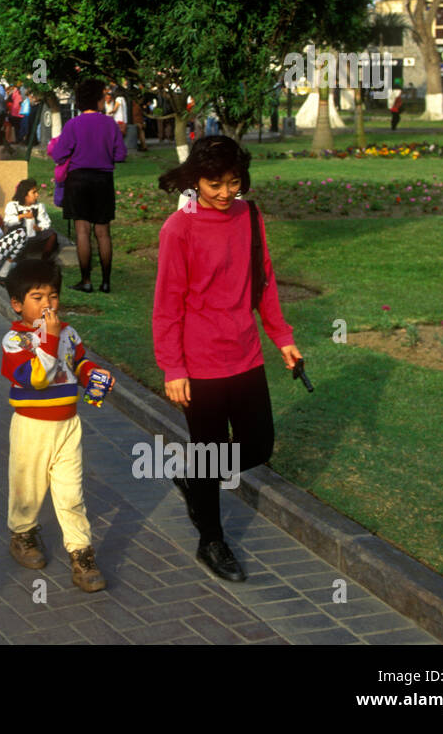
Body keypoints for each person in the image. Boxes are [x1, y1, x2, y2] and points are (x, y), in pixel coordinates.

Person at [153, 135, 301, 581]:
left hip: (247, 353)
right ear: (195, 179)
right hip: (200, 366)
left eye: (233, 182)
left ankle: (195, 480)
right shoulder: (179, 228)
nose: (223, 193)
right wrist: (173, 368)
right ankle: (211, 540)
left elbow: (264, 281)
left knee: (258, 445)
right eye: (214, 183)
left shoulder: (249, 216)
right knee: (209, 452)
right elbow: (166, 304)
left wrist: (282, 337)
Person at [0, 258, 113, 592]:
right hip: (32, 427)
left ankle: (81, 552)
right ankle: (23, 533)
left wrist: (93, 375)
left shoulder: (68, 332)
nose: (48, 304)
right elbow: (36, 379)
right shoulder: (14, 341)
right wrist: (47, 338)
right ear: (18, 304)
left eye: (53, 296)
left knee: (71, 493)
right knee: (28, 488)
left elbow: (76, 363)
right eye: (37, 297)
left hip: (68, 426)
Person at [48, 79, 128, 294]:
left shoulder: (73, 124)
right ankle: (106, 282)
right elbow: (120, 155)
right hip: (103, 180)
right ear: (98, 100)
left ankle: (86, 280)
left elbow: (58, 154)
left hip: (78, 180)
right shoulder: (110, 124)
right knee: (103, 232)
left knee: (82, 231)